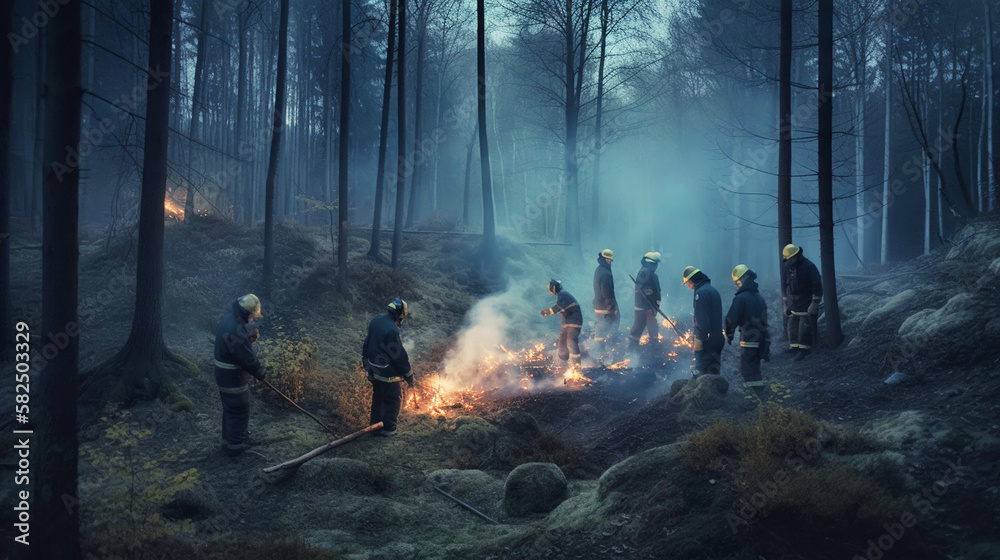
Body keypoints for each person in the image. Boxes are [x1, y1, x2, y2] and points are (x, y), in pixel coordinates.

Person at [214, 293, 267, 457]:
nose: (252, 319)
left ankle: (228, 441)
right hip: (233, 378)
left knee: (230, 409)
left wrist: (247, 339)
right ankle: (236, 448)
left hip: (223, 375)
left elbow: (233, 347)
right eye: (252, 315)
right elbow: (246, 357)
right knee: (240, 409)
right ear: (245, 313)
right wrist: (260, 371)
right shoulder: (236, 329)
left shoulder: (229, 320)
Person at [363, 298, 414, 436]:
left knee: (378, 397)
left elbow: (367, 343)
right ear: (399, 315)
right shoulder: (393, 330)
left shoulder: (376, 320)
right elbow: (398, 355)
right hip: (386, 373)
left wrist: (365, 363)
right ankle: (389, 428)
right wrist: (408, 374)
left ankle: (375, 426)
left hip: (373, 368)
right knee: (391, 399)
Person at [724, 265, 770, 394]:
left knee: (748, 368)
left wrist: (729, 335)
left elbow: (731, 319)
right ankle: (759, 392)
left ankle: (753, 396)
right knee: (755, 366)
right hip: (762, 339)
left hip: (749, 340)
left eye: (737, 281)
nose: (736, 284)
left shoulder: (740, 298)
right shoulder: (759, 297)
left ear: (743, 279)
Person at [781, 243, 822, 360]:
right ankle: (794, 347)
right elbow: (785, 285)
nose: (788, 261)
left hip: (806, 304)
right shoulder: (788, 268)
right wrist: (785, 303)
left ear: (796, 256)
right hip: (793, 305)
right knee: (792, 328)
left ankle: (804, 350)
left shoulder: (809, 267)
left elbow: (817, 286)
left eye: (790, 259)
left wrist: (815, 303)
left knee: (804, 329)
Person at [682, 266, 724, 376]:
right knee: (714, 374)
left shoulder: (700, 293)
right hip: (717, 339)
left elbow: (702, 321)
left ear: (691, 281)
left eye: (687, 283)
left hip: (707, 342)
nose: (688, 286)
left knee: (701, 375)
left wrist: (699, 341)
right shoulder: (712, 290)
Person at [541, 280, 583, 369]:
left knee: (571, 342)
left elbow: (559, 307)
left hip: (574, 323)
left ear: (553, 289)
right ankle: (565, 364)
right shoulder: (562, 295)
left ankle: (577, 366)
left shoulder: (563, 295)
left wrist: (547, 312)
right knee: (562, 343)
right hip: (567, 324)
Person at [627, 252, 662, 353]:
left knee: (648, 325)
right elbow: (642, 289)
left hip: (649, 306)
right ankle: (633, 349)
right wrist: (650, 301)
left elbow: (654, 290)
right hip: (645, 306)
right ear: (651, 263)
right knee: (641, 325)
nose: (656, 266)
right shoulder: (645, 272)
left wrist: (655, 303)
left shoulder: (649, 273)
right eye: (655, 264)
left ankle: (650, 347)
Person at [592, 248, 619, 358]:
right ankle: (600, 350)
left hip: (599, 305)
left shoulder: (599, 270)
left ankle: (599, 349)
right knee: (608, 325)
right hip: (604, 306)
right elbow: (607, 292)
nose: (610, 262)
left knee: (601, 327)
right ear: (606, 259)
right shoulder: (605, 273)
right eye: (609, 259)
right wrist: (611, 308)